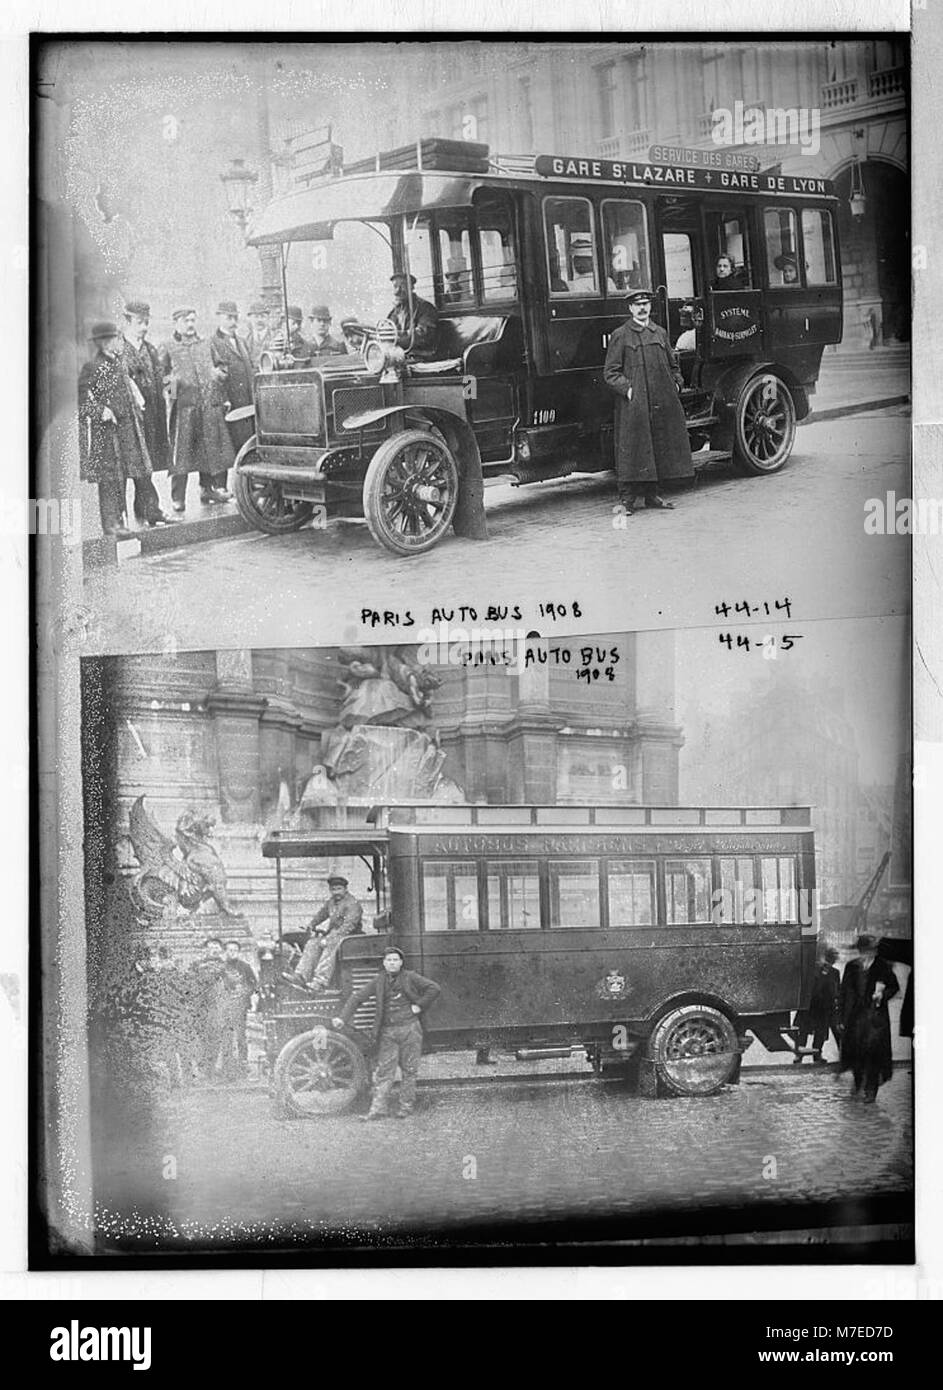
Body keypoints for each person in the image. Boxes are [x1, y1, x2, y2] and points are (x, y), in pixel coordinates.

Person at [602, 287, 694, 515]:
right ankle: (627, 501)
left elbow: (674, 366)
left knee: (657, 446)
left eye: (646, 303)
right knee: (632, 449)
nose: (642, 308)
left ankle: (653, 495)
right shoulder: (621, 335)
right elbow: (610, 372)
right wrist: (629, 390)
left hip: (661, 401)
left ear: (650, 306)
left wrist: (676, 384)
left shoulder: (660, 333)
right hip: (635, 405)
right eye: (637, 304)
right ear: (630, 308)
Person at [78, 320, 165, 539]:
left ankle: (146, 513)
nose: (120, 341)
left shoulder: (117, 362)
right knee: (110, 480)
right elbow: (79, 399)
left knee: (138, 472)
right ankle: (113, 525)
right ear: (106, 342)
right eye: (117, 338)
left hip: (127, 429)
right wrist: (100, 410)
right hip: (107, 433)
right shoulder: (93, 366)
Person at [332, 947, 440, 1120]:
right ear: (384, 963)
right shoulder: (379, 981)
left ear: (401, 962)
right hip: (388, 1033)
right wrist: (342, 1019)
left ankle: (405, 1107)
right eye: (389, 960)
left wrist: (419, 1005)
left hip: (410, 1029)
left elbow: (434, 988)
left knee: (409, 1070)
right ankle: (377, 1110)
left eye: (395, 960)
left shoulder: (410, 977)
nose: (392, 963)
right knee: (385, 1072)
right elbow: (357, 998)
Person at [163, 308, 234, 511]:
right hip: (184, 410)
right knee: (182, 454)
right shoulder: (168, 347)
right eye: (186, 321)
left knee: (209, 449)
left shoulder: (206, 344)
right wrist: (173, 387)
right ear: (176, 323)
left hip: (208, 406)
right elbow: (163, 376)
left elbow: (223, 368)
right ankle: (178, 497)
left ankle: (208, 489)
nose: (191, 325)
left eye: (193, 320)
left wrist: (216, 376)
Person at [120, 299, 176, 525]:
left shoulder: (151, 349)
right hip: (130, 419)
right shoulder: (120, 349)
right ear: (127, 321)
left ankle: (142, 509)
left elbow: (165, 378)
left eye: (146, 323)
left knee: (147, 464)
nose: (144, 327)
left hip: (152, 415)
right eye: (140, 322)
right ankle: (150, 510)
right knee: (135, 465)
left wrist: (172, 396)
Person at [838, 933, 900, 1102]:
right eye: (865, 950)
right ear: (860, 951)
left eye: (871, 950)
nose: (868, 954)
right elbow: (844, 993)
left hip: (875, 1018)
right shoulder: (852, 966)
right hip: (856, 1018)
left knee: (873, 1054)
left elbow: (894, 987)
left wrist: (883, 995)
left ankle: (870, 1090)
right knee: (856, 1053)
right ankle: (859, 1082)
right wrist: (841, 1018)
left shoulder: (882, 967)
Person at [288, 874, 363, 990]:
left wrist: (329, 938)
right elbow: (322, 914)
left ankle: (320, 981)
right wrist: (311, 924)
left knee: (330, 944)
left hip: (351, 937)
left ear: (345, 889)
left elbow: (349, 926)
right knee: (312, 943)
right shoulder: (331, 902)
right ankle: (301, 976)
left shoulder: (353, 904)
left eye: (339, 889)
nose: (336, 892)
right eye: (333, 889)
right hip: (335, 935)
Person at [211, 300, 255, 456]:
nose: (233, 322)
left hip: (248, 405)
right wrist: (224, 399)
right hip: (230, 406)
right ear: (219, 318)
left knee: (249, 447)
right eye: (228, 318)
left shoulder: (242, 342)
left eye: (235, 318)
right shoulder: (213, 343)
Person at [187, 937, 229, 1081]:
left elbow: (231, 984)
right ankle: (201, 1068)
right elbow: (190, 983)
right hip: (200, 1008)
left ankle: (210, 1070)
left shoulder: (225, 966)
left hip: (217, 1009)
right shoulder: (196, 965)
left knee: (215, 1039)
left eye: (216, 947)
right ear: (205, 949)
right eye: (211, 947)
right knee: (200, 1039)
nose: (214, 950)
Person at [218, 939, 259, 1079]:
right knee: (226, 1037)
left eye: (235, 950)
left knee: (241, 1036)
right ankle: (227, 1066)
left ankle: (243, 1063)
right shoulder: (221, 968)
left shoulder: (245, 967)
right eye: (229, 950)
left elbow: (254, 985)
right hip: (225, 1007)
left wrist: (245, 992)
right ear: (225, 952)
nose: (232, 953)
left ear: (239, 952)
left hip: (240, 1007)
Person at [793, 947, 841, 1064]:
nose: (833, 960)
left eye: (835, 957)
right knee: (803, 1031)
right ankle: (799, 1055)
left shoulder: (835, 972)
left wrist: (835, 1002)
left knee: (820, 1033)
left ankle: (817, 1054)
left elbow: (837, 990)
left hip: (825, 1008)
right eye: (832, 956)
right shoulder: (815, 969)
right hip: (811, 1006)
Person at [386, 273, 438, 359]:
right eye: (395, 286)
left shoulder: (425, 307)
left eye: (402, 286)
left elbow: (422, 336)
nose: (397, 291)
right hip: (402, 355)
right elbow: (388, 330)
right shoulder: (395, 311)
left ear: (411, 288)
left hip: (421, 356)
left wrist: (394, 338)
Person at [245, 299, 274, 369]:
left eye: (262, 316)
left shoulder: (275, 337)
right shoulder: (244, 340)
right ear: (250, 318)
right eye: (256, 316)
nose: (259, 320)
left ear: (268, 318)